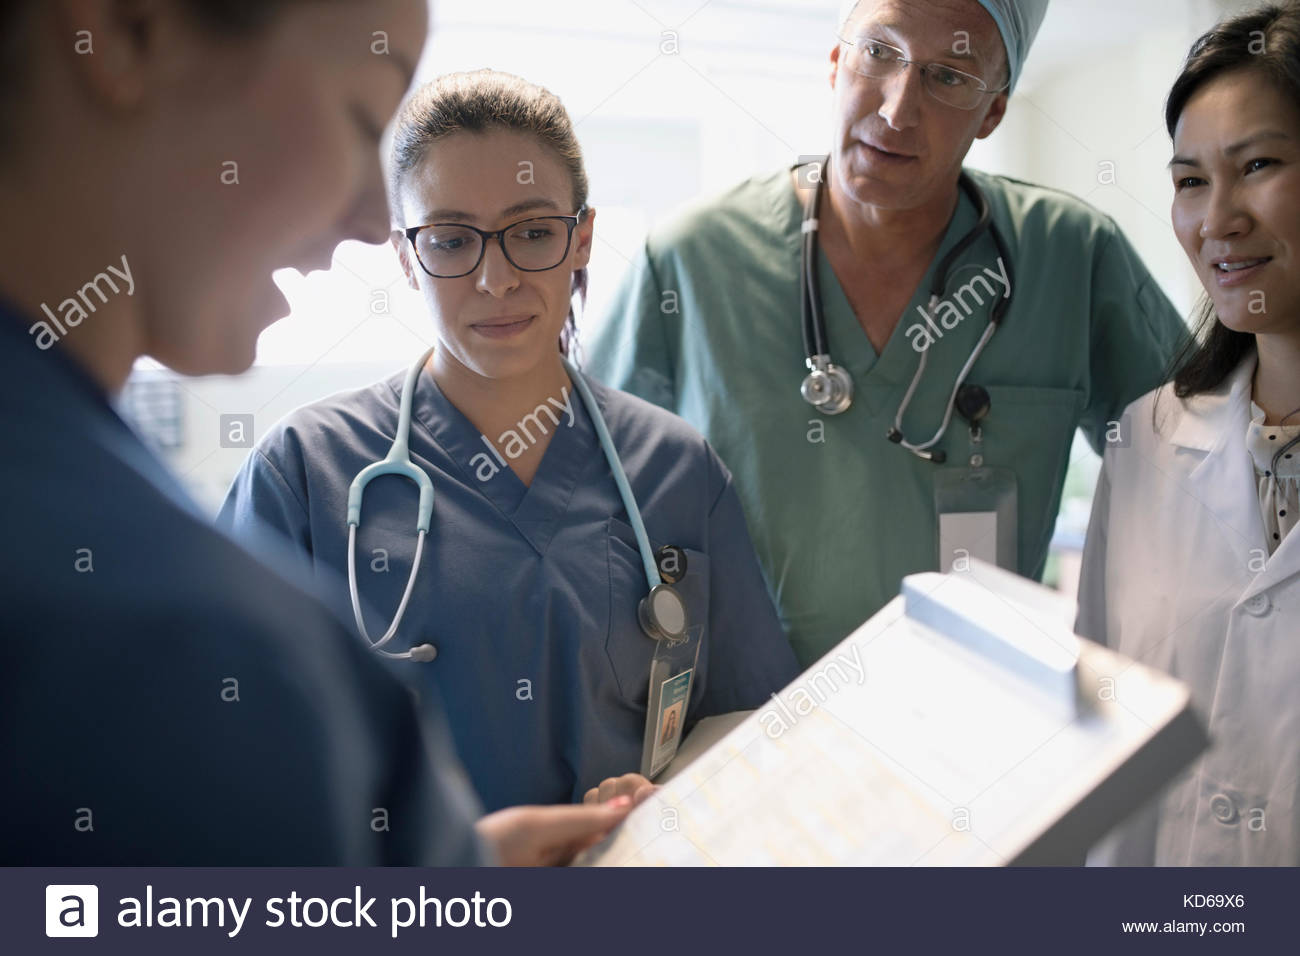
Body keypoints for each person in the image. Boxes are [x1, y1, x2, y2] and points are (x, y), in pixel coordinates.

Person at [0, 0, 637, 866]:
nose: (373, 220)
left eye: (531, 232)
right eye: (361, 114)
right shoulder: (185, 640)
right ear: (126, 29)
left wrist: (453, 870)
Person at [218, 70, 801, 813]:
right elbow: (232, 757)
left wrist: (667, 797)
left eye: (531, 233)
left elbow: (751, 725)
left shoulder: (678, 471)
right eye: (454, 240)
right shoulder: (304, 474)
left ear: (581, 238)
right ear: (405, 256)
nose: (496, 280)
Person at [585, 0, 1188, 667]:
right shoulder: (692, 260)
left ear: (993, 112)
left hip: (981, 714)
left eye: (950, 76)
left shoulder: (1070, 255)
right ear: (838, 61)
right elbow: (592, 500)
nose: (899, 109)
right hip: (743, 721)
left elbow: (1205, 475)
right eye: (880, 53)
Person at [1078, 2, 1300, 866]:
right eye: (1189, 180)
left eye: (1258, 165)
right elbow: (1096, 736)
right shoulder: (1147, 441)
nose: (1218, 218)